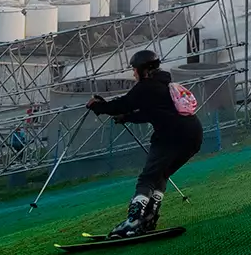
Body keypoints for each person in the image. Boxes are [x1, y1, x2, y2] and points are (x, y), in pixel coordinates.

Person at [85, 49, 201, 237]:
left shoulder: (147, 86)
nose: (133, 73)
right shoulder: (163, 85)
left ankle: (133, 222)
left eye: (134, 69)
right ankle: (149, 217)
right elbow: (151, 112)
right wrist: (127, 118)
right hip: (193, 136)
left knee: (147, 178)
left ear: (143, 69)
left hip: (171, 137)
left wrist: (98, 106)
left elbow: (122, 103)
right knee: (160, 174)